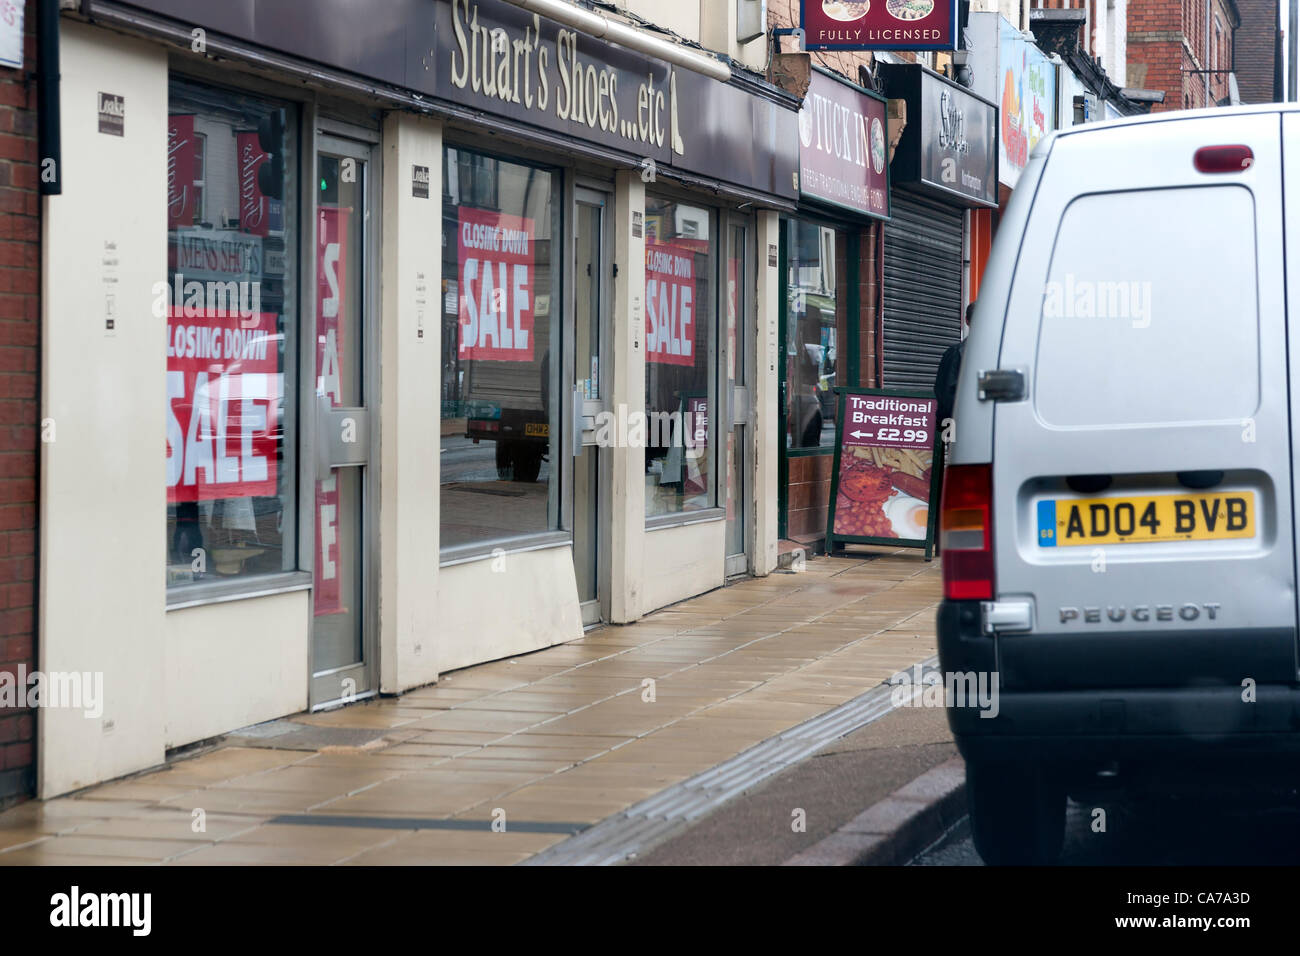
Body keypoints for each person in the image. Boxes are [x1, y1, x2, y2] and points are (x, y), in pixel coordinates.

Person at [935, 302, 973, 430]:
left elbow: (944, 393)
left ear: (966, 320)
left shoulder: (956, 353)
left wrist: (947, 432)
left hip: (956, 426)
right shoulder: (1002, 354)